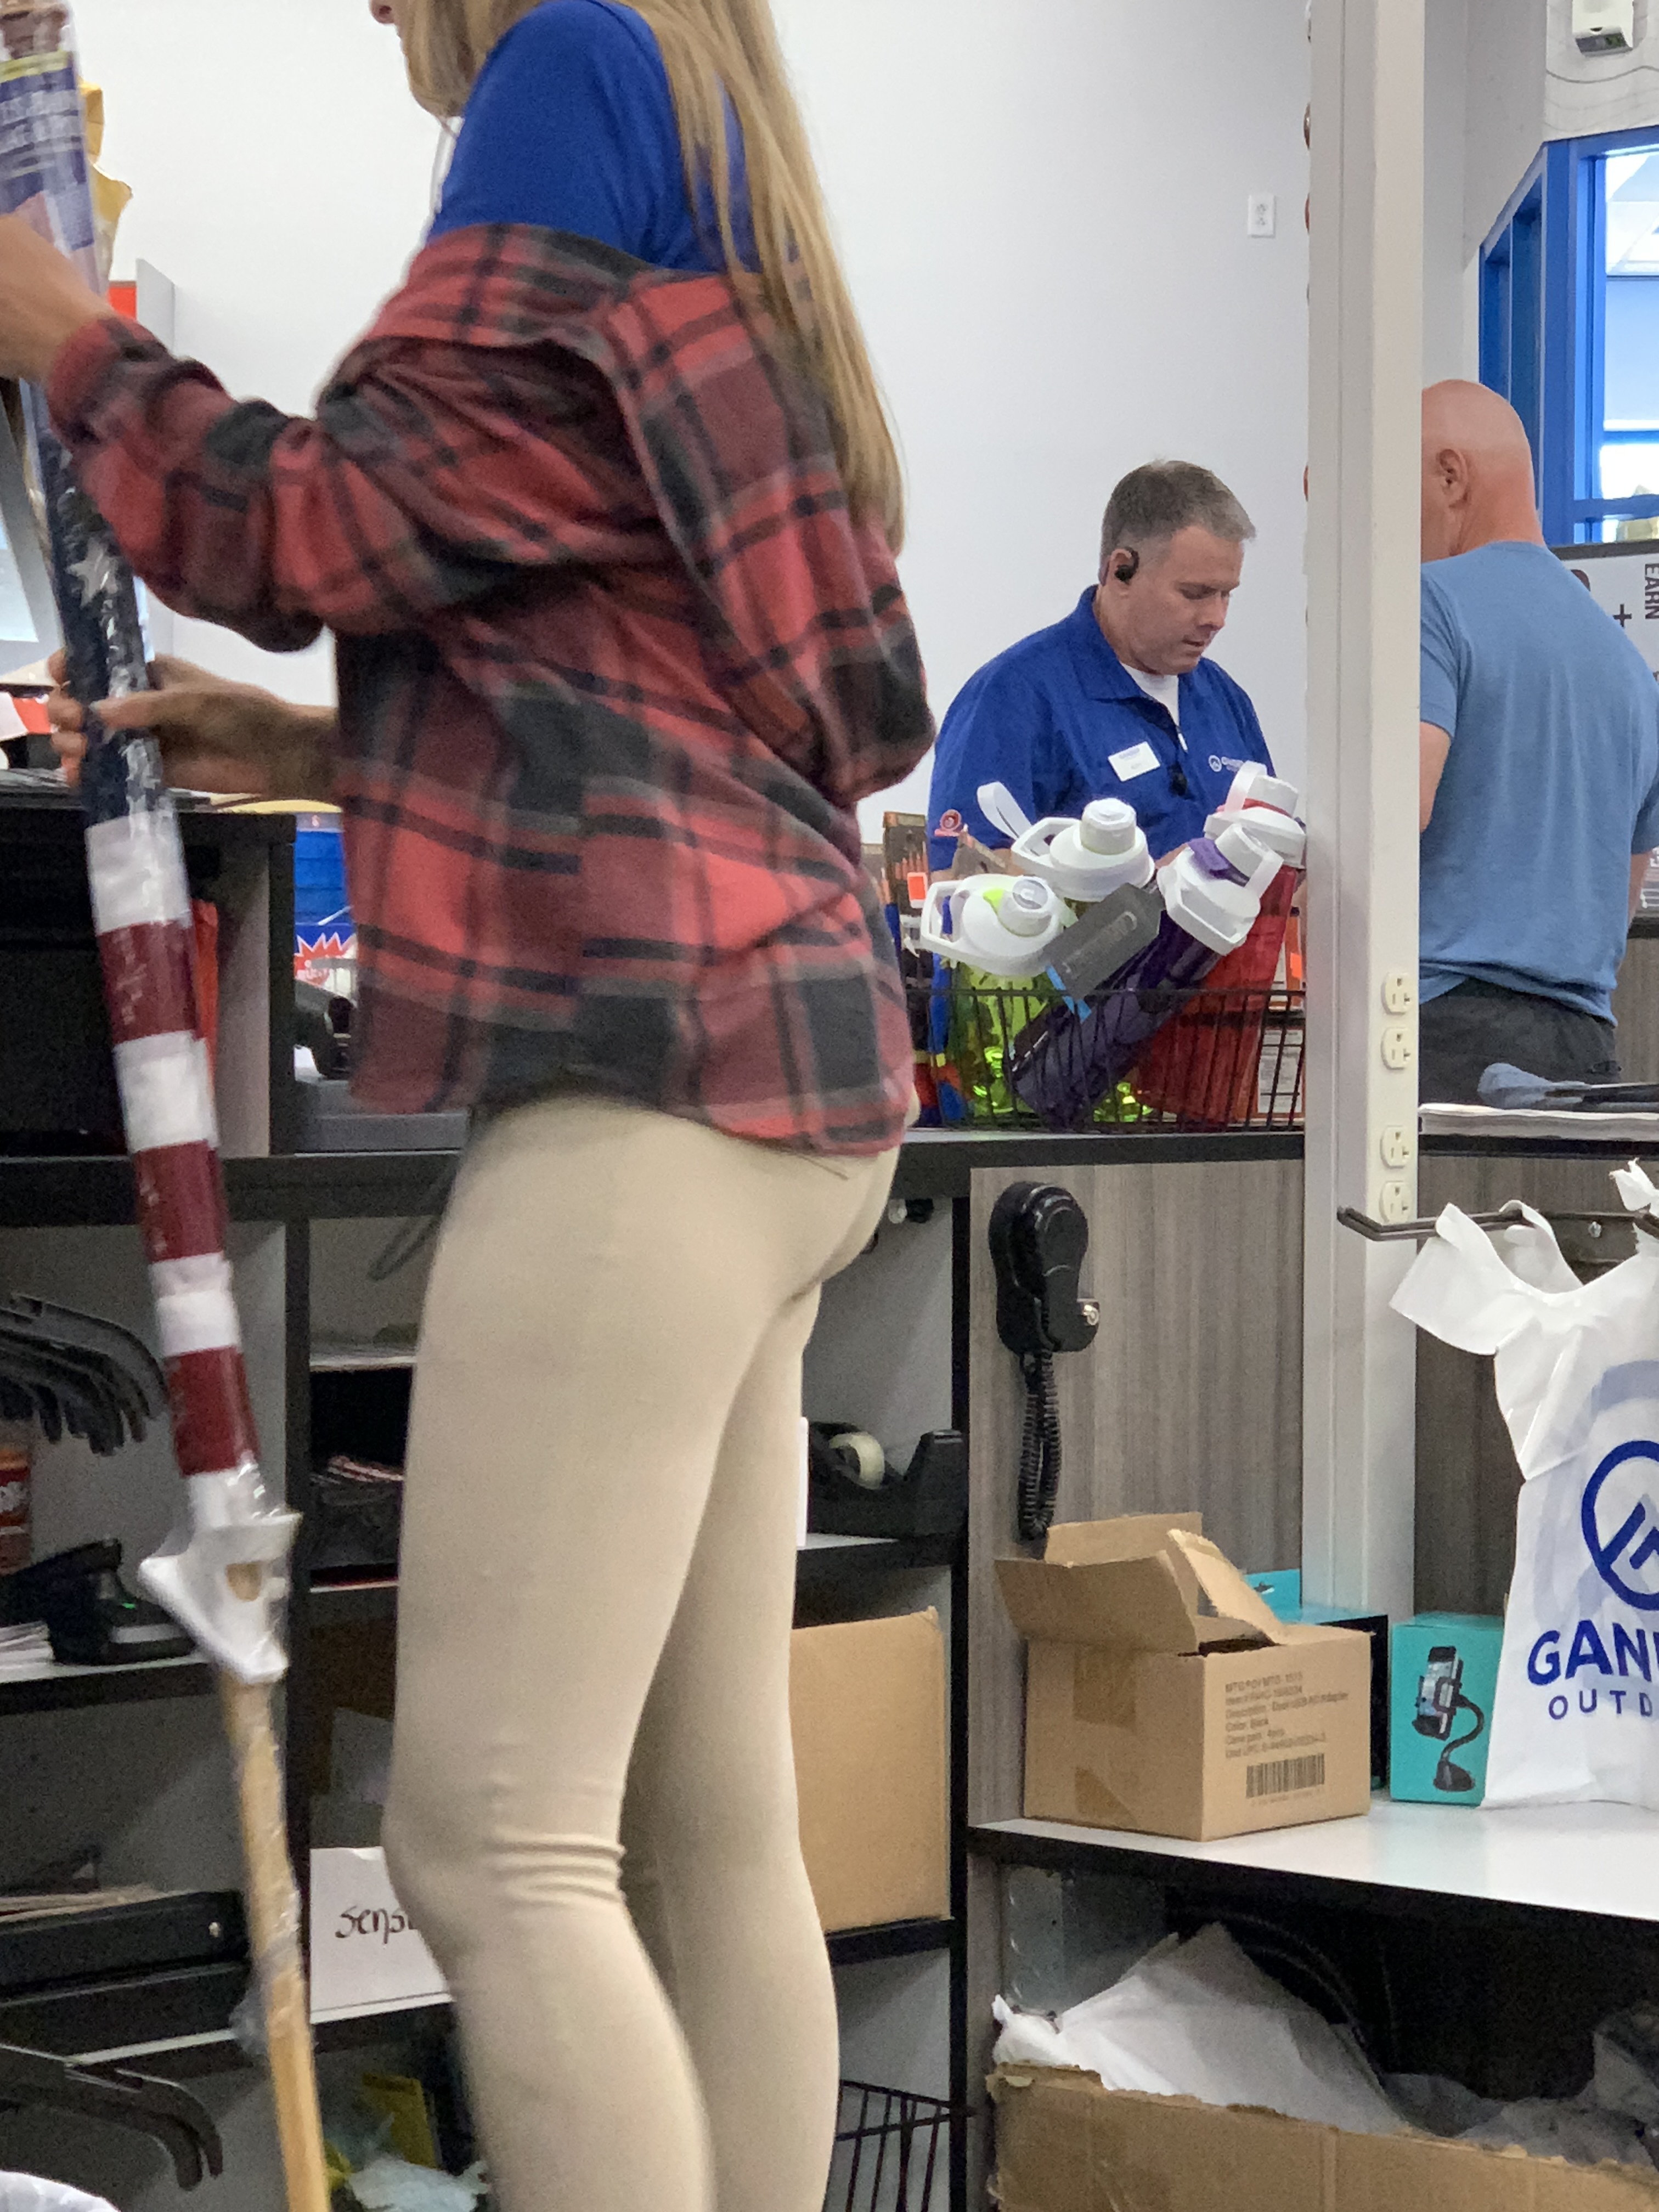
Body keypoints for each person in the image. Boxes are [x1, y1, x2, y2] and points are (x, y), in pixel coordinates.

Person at [14, 3, 933, 2208]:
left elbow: (329, 517)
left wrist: (66, 337)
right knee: (706, 1831)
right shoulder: (715, 175)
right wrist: (337, 755)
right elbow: (680, 667)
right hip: (796, 1084)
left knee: (492, 1843)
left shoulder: (567, 65)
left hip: (652, 1078)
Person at [1418, 380, 1659, 1104]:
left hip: (1447, 1034)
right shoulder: (1627, 665)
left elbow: (1398, 806)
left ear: (1450, 475)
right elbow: (1625, 887)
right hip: (1583, 1048)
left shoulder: (1430, 599)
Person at [925, 460, 1274, 871]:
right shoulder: (1013, 698)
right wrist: (1148, 894)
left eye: (1226, 595)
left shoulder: (1225, 701)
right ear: (1120, 571)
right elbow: (962, 879)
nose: (1217, 618)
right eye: (1195, 594)